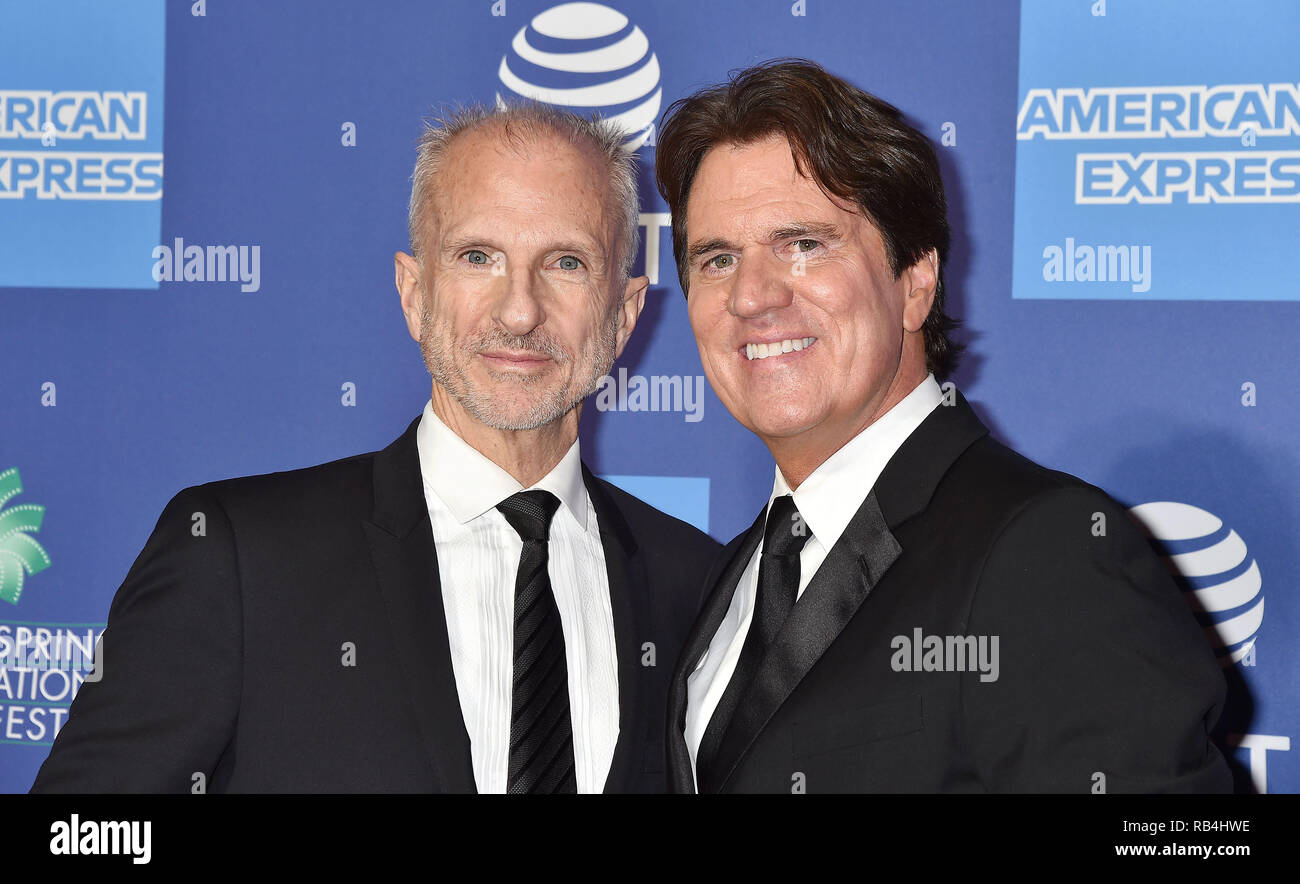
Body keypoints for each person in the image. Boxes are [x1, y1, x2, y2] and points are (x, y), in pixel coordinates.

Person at [31, 102, 719, 794]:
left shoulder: (698, 587)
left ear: (624, 314)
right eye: (478, 257)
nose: (519, 311)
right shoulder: (236, 557)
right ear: (415, 295)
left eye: (566, 262)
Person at [653, 59, 1232, 793]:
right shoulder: (737, 572)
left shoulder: (1044, 554)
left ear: (915, 283)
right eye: (718, 259)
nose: (752, 296)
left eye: (804, 244)